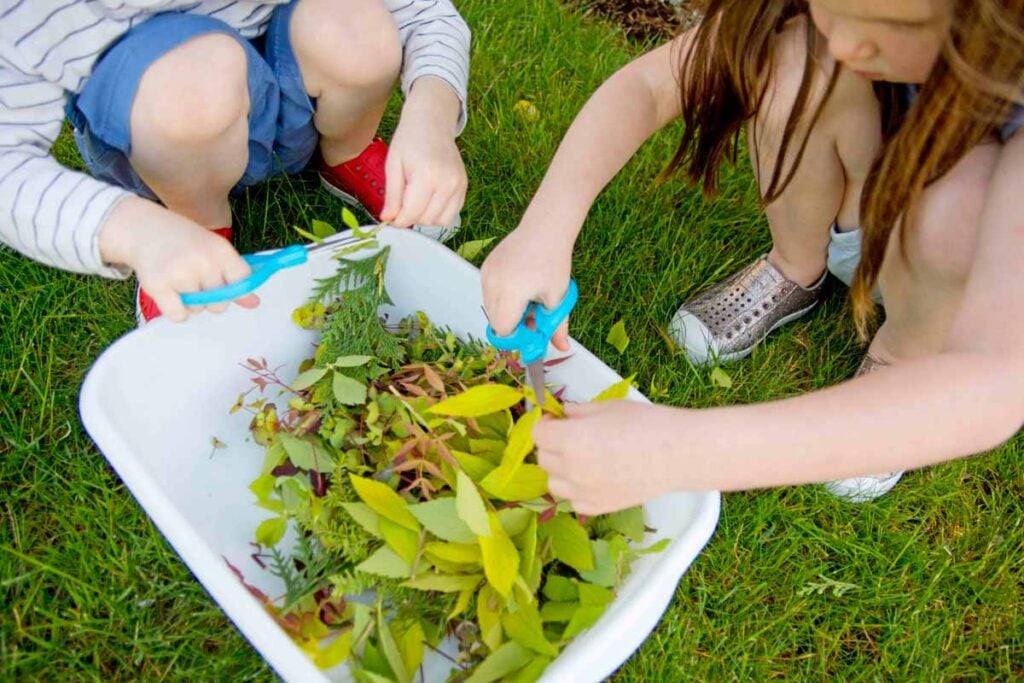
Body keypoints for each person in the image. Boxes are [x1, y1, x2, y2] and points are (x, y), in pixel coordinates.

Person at [481, 0, 1024, 509]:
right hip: (865, 202)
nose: (846, 44)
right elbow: (650, 86)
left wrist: (679, 451)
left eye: (902, 26)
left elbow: (996, 379)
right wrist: (544, 232)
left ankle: (904, 360)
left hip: (959, 267)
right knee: (793, 58)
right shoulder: (833, 36)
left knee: (958, 208)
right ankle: (794, 268)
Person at [0, 0, 470, 324]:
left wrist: (431, 116)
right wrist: (132, 230)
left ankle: (346, 150)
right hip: (160, 126)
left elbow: (424, 13)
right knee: (193, 85)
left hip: (283, 86)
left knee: (358, 29)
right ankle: (193, 225)